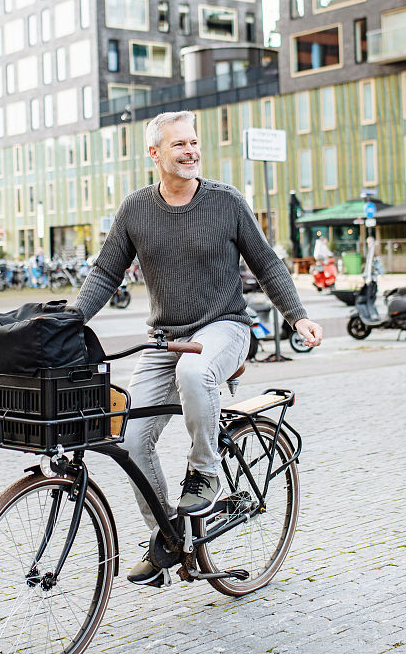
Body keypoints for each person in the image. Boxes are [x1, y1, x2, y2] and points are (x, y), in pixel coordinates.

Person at [74, 110, 323, 587]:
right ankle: (168, 540)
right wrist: (70, 322)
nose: (190, 151)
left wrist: (298, 315)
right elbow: (106, 274)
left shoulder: (225, 201)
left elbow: (267, 264)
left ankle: (203, 473)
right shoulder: (136, 209)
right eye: (178, 144)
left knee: (194, 374)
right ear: (155, 153)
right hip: (165, 337)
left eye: (194, 142)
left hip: (225, 327)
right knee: (128, 440)